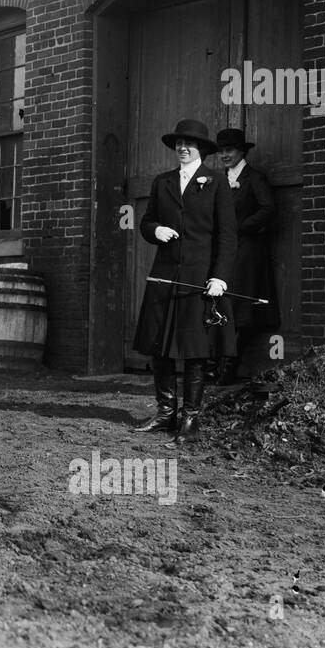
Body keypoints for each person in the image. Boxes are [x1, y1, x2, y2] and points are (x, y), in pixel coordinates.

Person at [131, 119, 237, 439]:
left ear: (202, 149)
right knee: (158, 344)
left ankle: (191, 418)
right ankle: (166, 413)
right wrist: (155, 230)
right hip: (165, 275)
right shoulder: (162, 182)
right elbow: (147, 221)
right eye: (178, 143)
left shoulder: (217, 182)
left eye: (189, 143)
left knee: (195, 347)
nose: (183, 148)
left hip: (200, 278)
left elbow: (228, 236)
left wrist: (219, 277)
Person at [211, 128, 279, 384]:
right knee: (220, 304)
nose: (224, 155)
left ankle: (228, 367)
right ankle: (216, 363)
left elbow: (268, 209)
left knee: (240, 309)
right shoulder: (219, 179)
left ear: (242, 152)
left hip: (247, 252)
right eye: (221, 151)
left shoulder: (254, 179)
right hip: (224, 251)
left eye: (229, 150)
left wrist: (240, 227)